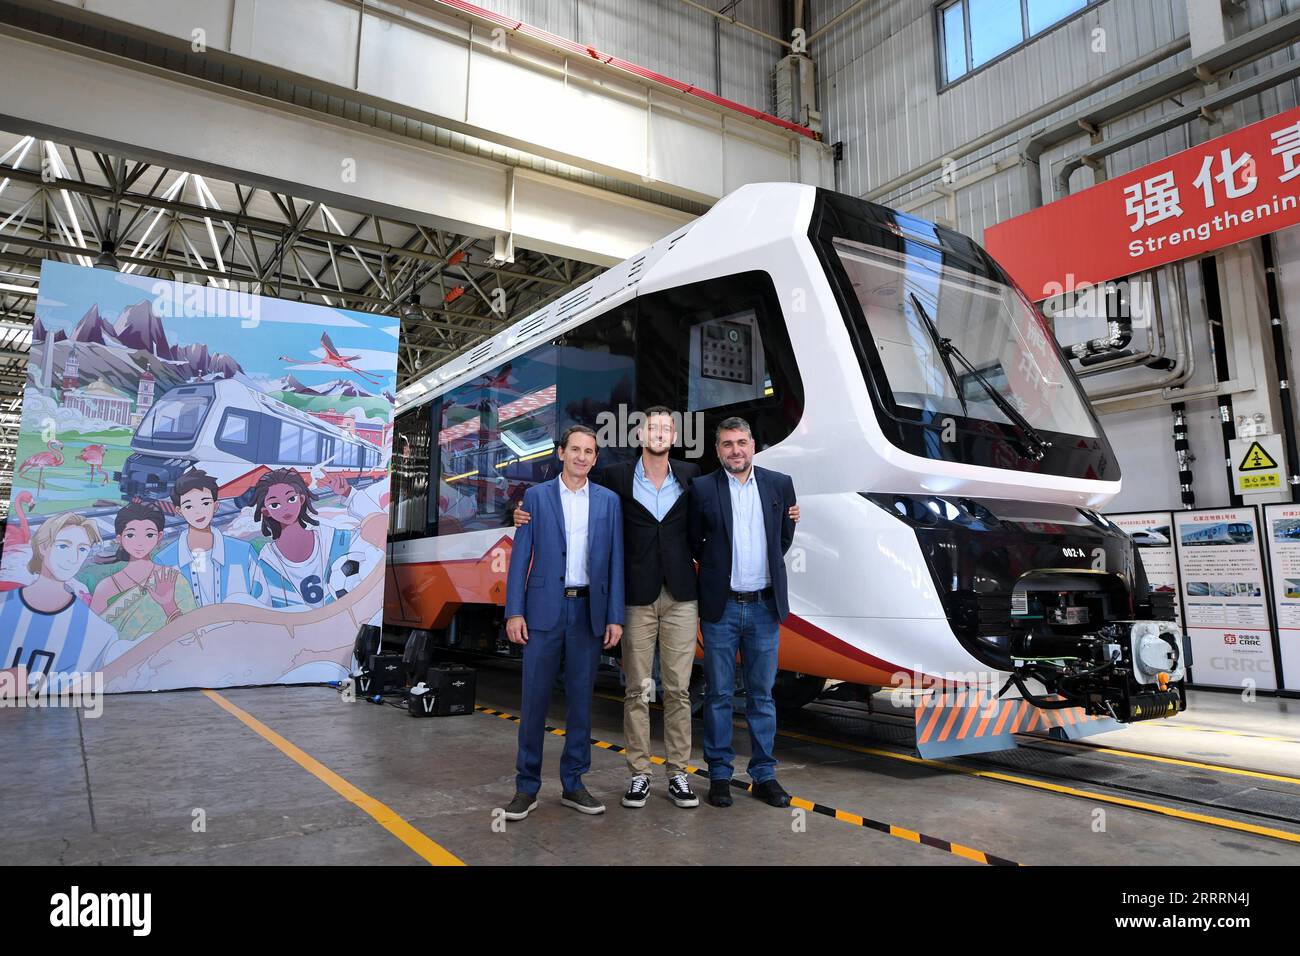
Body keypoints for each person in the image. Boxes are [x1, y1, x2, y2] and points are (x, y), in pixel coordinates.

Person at [512, 407, 799, 810]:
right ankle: (639, 775)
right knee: (637, 689)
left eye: (666, 428)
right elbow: (571, 491)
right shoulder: (614, 477)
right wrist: (523, 512)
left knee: (680, 690)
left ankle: (679, 772)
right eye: (653, 427)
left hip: (683, 595)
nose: (660, 433)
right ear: (640, 434)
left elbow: (708, 534)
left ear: (675, 435)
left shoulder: (693, 477)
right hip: (635, 596)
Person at [500, 424, 624, 821]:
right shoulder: (534, 498)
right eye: (576, 450)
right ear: (560, 453)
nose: (582, 457)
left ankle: (574, 784)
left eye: (589, 452)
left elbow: (615, 563)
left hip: (587, 612)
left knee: (581, 706)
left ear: (595, 458)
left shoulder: (608, 502)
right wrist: (514, 611)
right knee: (533, 702)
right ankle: (526, 787)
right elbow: (520, 559)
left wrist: (615, 617)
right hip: (542, 613)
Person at [689, 416, 798, 809]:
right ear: (717, 450)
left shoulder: (779, 485)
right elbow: (696, 542)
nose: (735, 450)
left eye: (741, 442)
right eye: (727, 444)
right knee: (718, 694)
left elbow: (782, 540)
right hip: (722, 607)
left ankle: (764, 775)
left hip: (765, 607)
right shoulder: (702, 488)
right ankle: (719, 774)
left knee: (762, 696)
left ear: (753, 444)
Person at [0, 513, 122, 690]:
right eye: (63, 546)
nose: (73, 558)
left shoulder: (100, 635)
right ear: (43, 547)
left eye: (82, 549)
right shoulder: (4, 606)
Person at [248, 469, 383, 611]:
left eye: (291, 499)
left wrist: (349, 494)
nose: (286, 508)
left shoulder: (336, 541)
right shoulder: (266, 563)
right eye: (275, 504)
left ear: (301, 499)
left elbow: (380, 527)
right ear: (266, 512)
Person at [90, 503, 197, 643]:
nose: (140, 542)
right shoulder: (105, 588)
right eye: (131, 535)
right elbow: (93, 640)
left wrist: (168, 604)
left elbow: (193, 635)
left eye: (149, 534)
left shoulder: (173, 578)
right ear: (119, 539)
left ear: (159, 537)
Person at [155, 467, 257, 606]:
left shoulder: (244, 552)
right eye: (189, 506)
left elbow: (262, 600)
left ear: (215, 506)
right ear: (179, 511)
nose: (198, 512)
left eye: (205, 503)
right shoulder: (165, 560)